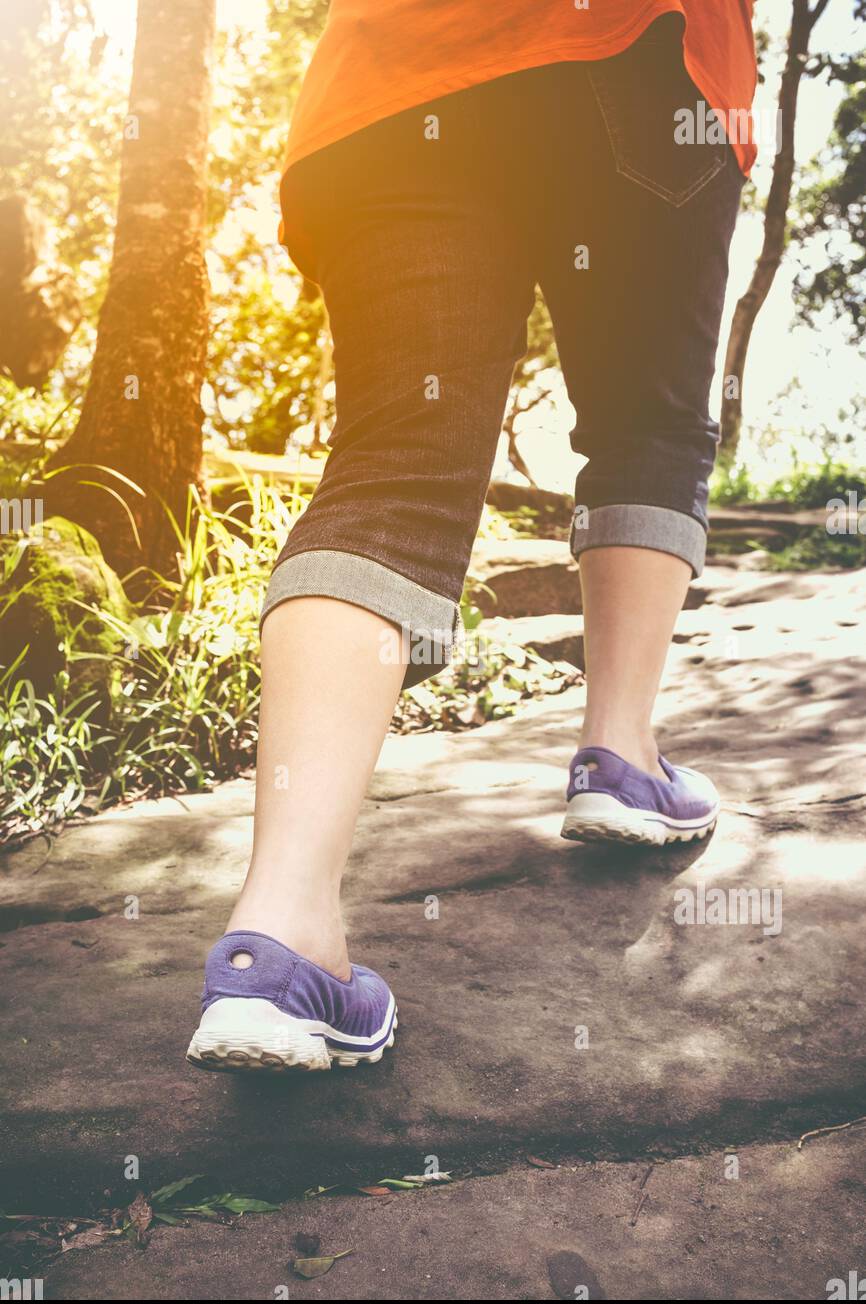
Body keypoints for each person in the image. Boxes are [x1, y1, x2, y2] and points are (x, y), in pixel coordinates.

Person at [187, 1, 757, 1073]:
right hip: (635, 54)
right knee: (646, 422)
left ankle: (279, 933)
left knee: (393, 457)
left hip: (390, 78)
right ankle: (620, 755)